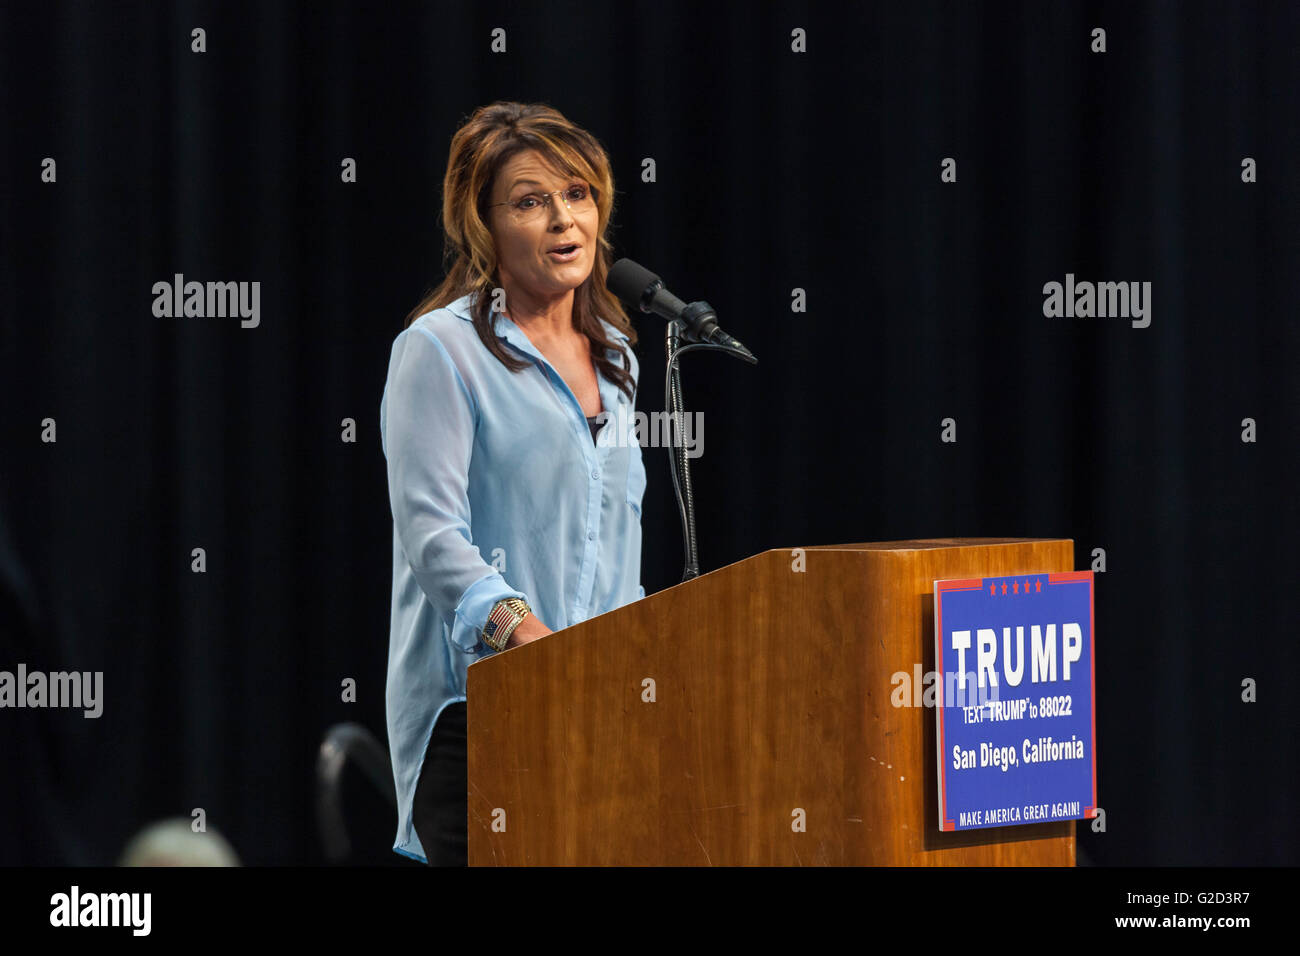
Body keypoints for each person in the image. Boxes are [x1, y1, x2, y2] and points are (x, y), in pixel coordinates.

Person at [380, 101, 647, 865]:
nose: (564, 219)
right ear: (483, 223)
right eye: (531, 201)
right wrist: (531, 641)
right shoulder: (439, 351)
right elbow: (433, 539)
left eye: (579, 194)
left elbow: (619, 543)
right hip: (482, 710)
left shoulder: (617, 355)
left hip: (600, 711)